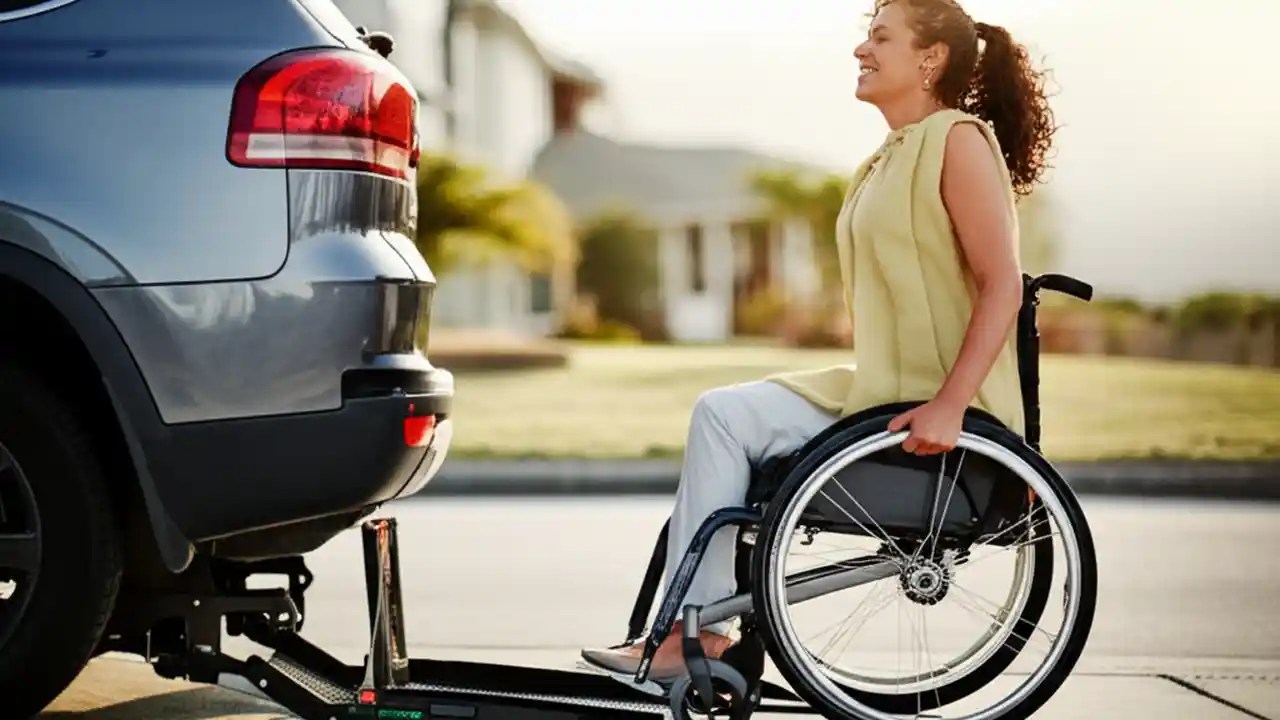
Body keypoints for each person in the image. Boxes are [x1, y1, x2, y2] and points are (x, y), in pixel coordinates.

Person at [580, 0, 1057, 684]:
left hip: (941, 410)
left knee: (726, 418)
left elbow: (1002, 285)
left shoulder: (958, 141)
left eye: (880, 38)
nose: (862, 50)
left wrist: (951, 406)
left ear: (931, 58)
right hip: (881, 392)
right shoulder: (889, 157)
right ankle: (697, 632)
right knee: (724, 414)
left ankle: (695, 637)